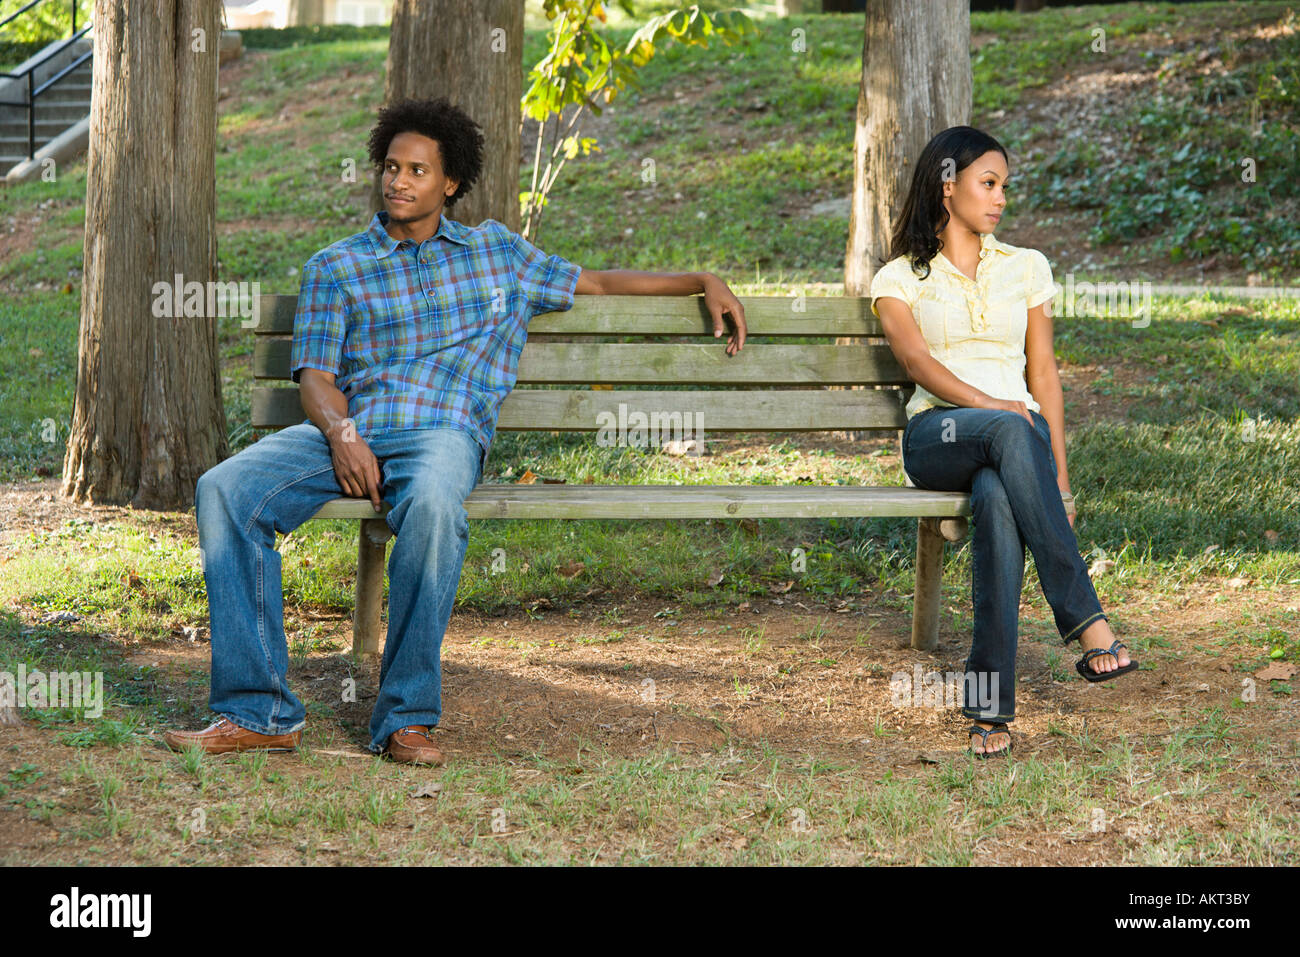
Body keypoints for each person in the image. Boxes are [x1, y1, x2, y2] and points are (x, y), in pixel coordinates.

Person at [164, 98, 747, 764]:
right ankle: (257, 711)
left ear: (450, 183)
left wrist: (701, 279)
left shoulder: (496, 254)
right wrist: (343, 432)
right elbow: (316, 377)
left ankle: (406, 717)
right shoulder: (337, 266)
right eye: (390, 166)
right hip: (354, 428)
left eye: (416, 170)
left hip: (444, 431)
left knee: (435, 506)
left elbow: (600, 281)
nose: (398, 181)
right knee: (224, 489)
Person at [869, 126, 1137, 759]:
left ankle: (988, 709)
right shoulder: (900, 277)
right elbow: (917, 365)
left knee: (995, 498)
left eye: (1005, 187)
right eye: (988, 184)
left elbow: (1043, 375)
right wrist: (997, 407)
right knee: (1011, 428)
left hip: (1015, 442)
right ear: (947, 183)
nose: (1000, 199)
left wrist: (1060, 480)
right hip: (942, 433)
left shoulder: (1027, 267)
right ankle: (1086, 619)